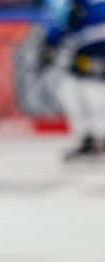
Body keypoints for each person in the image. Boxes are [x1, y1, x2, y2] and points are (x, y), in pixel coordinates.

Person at [38, 0, 105, 161]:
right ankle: (89, 140)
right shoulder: (71, 5)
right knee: (70, 91)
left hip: (96, 53)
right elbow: (59, 25)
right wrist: (51, 45)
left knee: (95, 95)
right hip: (84, 58)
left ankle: (100, 139)